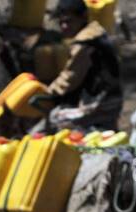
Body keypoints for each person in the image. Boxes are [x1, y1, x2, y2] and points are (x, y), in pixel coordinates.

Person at [29, 0, 123, 132]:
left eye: (69, 21)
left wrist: (49, 91)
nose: (64, 26)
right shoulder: (98, 34)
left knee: (52, 120)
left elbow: (70, 78)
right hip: (112, 98)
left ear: (83, 17)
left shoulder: (84, 44)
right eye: (61, 23)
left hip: (98, 103)